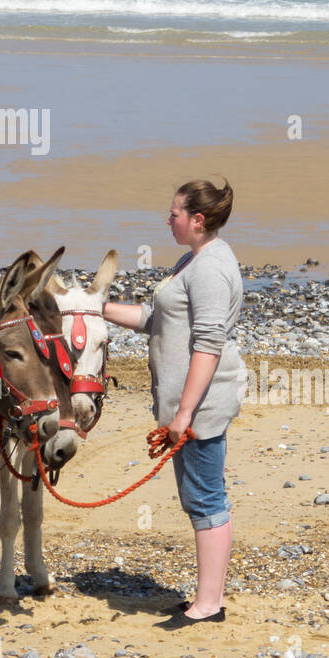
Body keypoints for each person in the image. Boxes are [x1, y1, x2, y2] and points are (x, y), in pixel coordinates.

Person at [102, 178, 245, 627]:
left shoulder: (208, 269)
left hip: (201, 406)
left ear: (197, 220)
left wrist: (184, 414)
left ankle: (208, 607)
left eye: (175, 214)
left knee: (205, 499)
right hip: (190, 405)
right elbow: (153, 319)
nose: (169, 220)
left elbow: (208, 344)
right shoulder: (195, 259)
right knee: (200, 497)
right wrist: (93, 307)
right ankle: (207, 599)